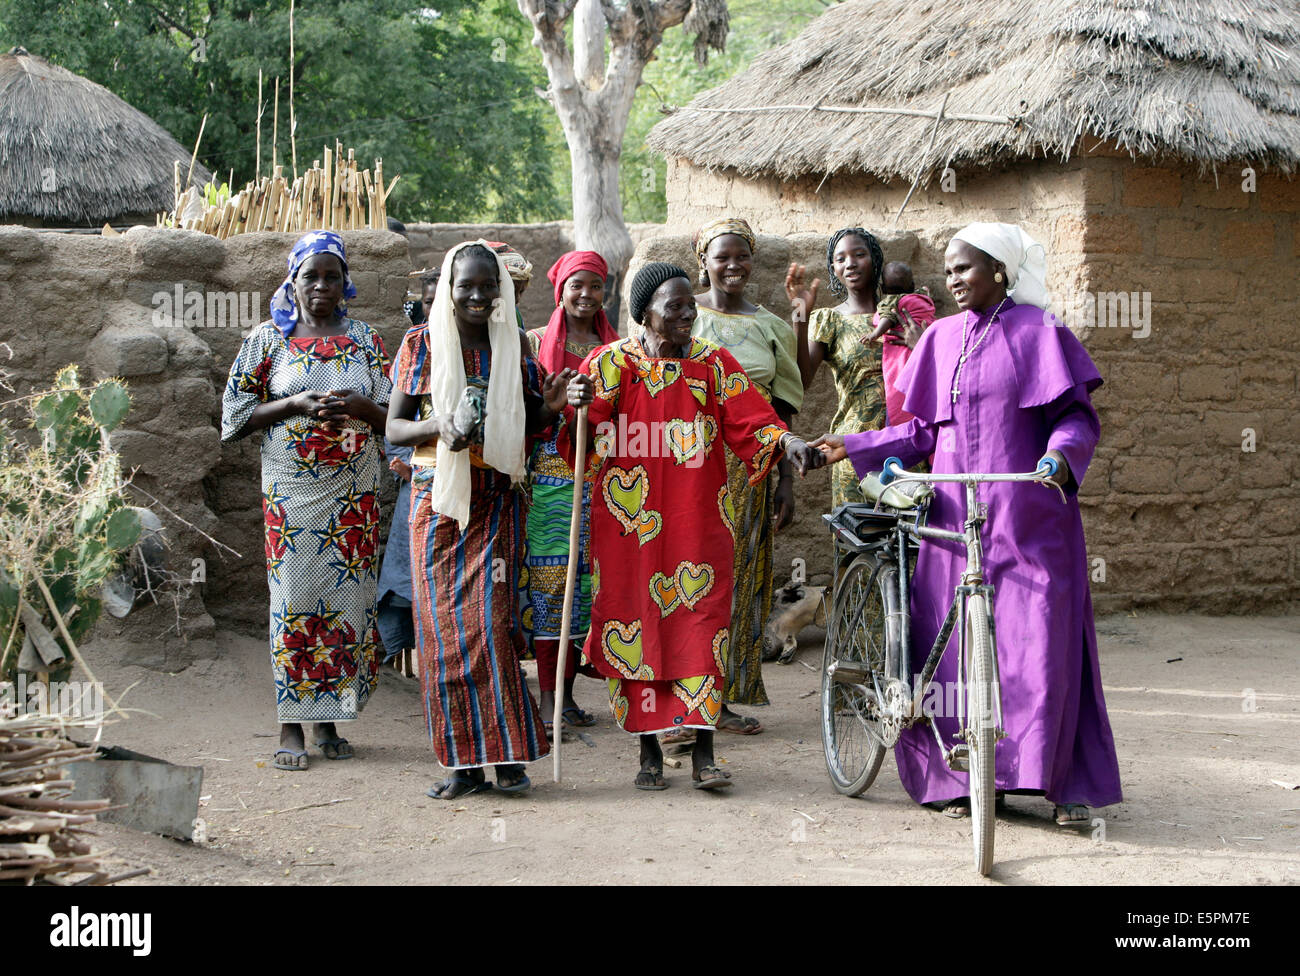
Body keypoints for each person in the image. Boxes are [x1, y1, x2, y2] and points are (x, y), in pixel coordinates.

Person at [811, 222, 1122, 825]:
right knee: (949, 648)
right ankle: (963, 776)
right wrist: (854, 443)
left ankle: (1061, 783)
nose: (953, 279)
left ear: (1000, 272)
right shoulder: (941, 338)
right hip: (954, 518)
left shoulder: (1042, 333)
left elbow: (1076, 418)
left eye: (966, 268)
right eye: (948, 270)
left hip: (1029, 518)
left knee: (1041, 645)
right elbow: (922, 432)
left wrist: (1059, 458)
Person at [562, 263, 824, 791]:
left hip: (698, 520)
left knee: (700, 624)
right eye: (674, 307)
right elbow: (580, 431)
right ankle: (648, 754)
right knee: (635, 625)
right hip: (627, 527)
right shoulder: (611, 364)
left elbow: (754, 420)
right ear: (645, 314)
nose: (686, 315)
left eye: (689, 306)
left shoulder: (713, 365)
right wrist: (574, 406)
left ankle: (705, 753)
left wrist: (788, 444)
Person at [386, 241, 568, 799]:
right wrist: (439, 425)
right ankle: (462, 765)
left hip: (495, 500)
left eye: (489, 286)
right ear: (448, 286)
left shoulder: (513, 345)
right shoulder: (421, 344)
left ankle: (508, 757)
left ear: (502, 290)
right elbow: (394, 428)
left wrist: (553, 404)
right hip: (437, 503)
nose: (478, 295)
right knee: (442, 635)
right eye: (467, 284)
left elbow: (532, 418)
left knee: (490, 626)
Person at [220, 231, 391, 771]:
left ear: (346, 283)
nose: (321, 286)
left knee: (346, 608)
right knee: (292, 607)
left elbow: (398, 420)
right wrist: (294, 402)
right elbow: (234, 419)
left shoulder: (366, 339)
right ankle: (290, 725)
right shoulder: (268, 340)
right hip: (292, 502)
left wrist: (361, 407)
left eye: (332, 276)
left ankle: (329, 719)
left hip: (353, 502)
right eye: (310, 276)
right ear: (292, 282)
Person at [685, 217, 804, 736]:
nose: (733, 265)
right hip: (691, 465)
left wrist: (786, 481)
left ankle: (725, 696)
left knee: (743, 580)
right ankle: (685, 694)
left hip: (752, 468)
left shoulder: (771, 327)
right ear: (703, 262)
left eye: (742, 256)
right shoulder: (682, 316)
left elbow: (782, 410)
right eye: (722, 256)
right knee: (693, 575)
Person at [523, 250, 620, 734]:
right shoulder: (534, 343)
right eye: (577, 285)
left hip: (606, 480)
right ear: (559, 289)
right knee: (551, 583)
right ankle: (547, 696)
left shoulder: (620, 350)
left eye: (596, 286)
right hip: (550, 481)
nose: (586, 295)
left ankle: (571, 694)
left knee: (589, 587)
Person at [785, 227, 893, 507]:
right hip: (850, 447)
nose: (850, 264)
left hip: (903, 443)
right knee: (857, 542)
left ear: (875, 259)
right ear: (833, 268)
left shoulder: (899, 312)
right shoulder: (830, 320)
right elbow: (802, 379)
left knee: (911, 542)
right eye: (841, 258)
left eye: (859, 255)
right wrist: (800, 314)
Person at [870, 261, 935, 426]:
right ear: (912, 285)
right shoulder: (922, 299)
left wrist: (875, 333)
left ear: (883, 289)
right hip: (926, 362)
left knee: (900, 398)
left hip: (901, 356)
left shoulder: (891, 303)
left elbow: (883, 318)